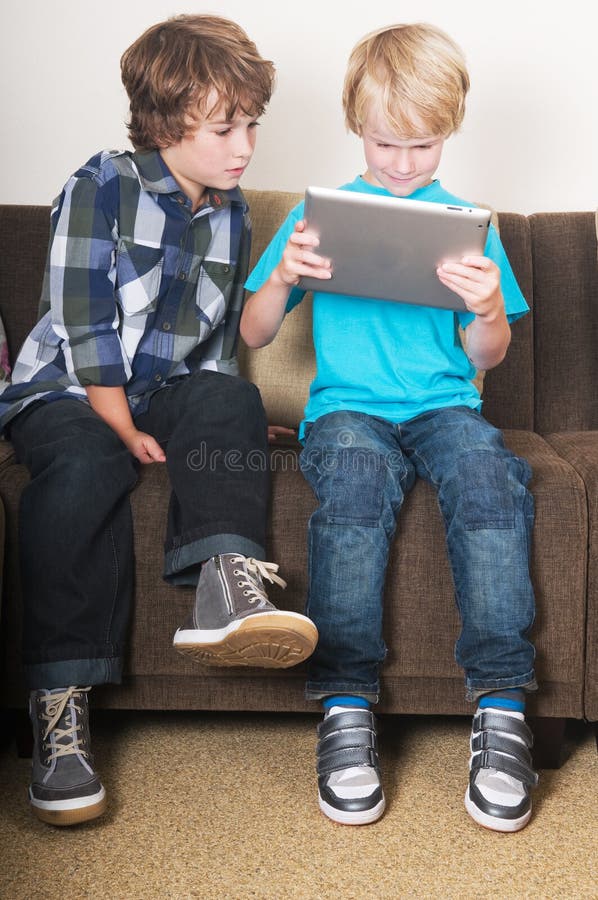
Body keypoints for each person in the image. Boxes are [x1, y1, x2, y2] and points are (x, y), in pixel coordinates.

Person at [0, 14, 318, 827]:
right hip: (68, 390)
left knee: (233, 398)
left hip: (165, 390)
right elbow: (83, 318)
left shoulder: (234, 212)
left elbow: (216, 350)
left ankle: (225, 588)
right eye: (226, 126)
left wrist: (228, 425)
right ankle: (59, 711)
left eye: (252, 123)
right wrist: (115, 420)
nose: (246, 143)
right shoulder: (100, 182)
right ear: (166, 119)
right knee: (89, 465)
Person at [241, 22, 538, 832]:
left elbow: (491, 351)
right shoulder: (317, 217)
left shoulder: (470, 226)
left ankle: (503, 708)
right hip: (348, 411)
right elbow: (256, 334)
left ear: (449, 133)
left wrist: (482, 308)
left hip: (447, 408)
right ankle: (346, 707)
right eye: (385, 145)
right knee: (355, 489)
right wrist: (283, 281)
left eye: (423, 146)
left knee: (489, 478)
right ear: (354, 124)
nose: (403, 167)